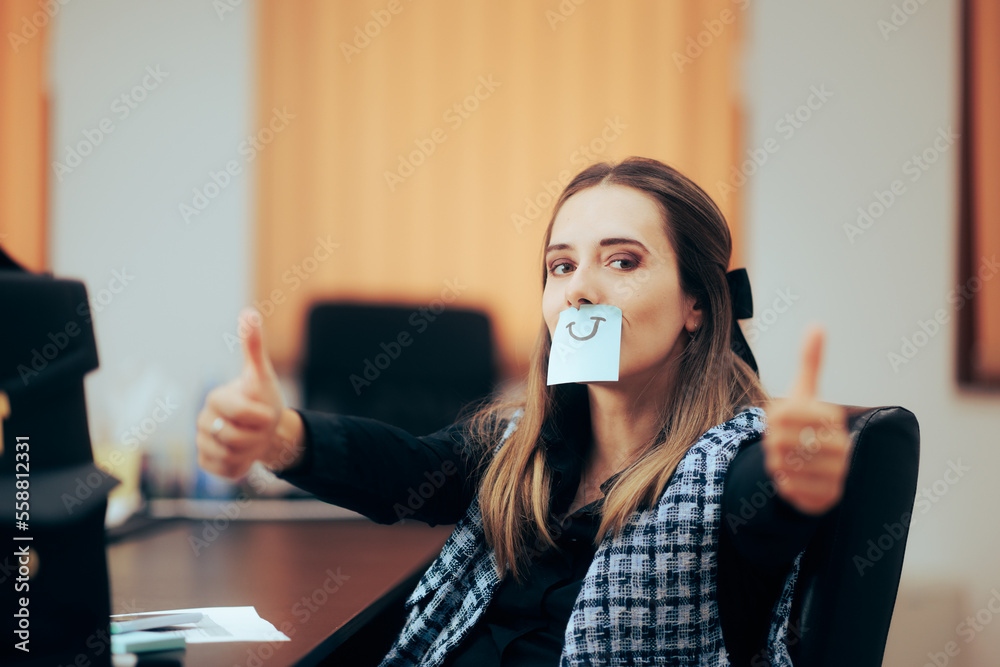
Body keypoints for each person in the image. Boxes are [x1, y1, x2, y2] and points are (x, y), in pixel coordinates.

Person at [195, 157, 852, 666]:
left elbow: (767, 508)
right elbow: (409, 469)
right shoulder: (523, 446)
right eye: (559, 266)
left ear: (696, 303)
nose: (580, 290)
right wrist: (282, 435)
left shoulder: (731, 466)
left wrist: (800, 478)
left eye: (622, 260)